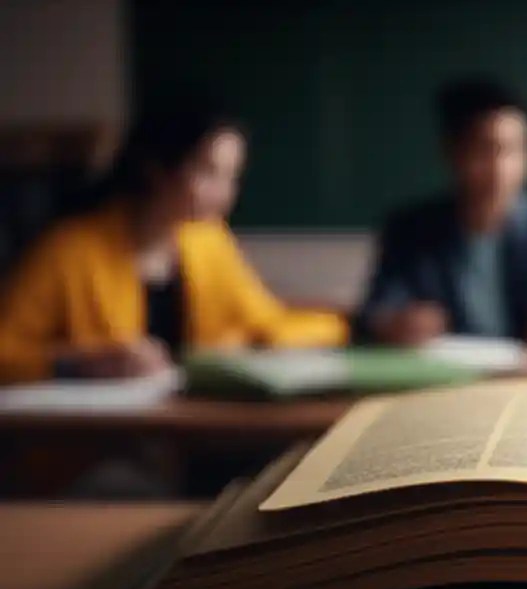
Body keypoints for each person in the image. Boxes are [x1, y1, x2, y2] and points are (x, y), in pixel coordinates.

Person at [0, 99, 346, 384]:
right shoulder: (70, 248)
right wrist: (81, 362)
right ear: (157, 169)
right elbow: (6, 352)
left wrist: (347, 325)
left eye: (231, 177)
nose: (224, 194)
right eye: (208, 172)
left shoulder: (207, 242)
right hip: (94, 442)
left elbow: (266, 323)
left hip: (186, 431)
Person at [354, 78, 527, 348]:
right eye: (484, 150)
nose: (500, 169)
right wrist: (395, 323)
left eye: (514, 150)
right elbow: (369, 319)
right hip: (444, 381)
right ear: (452, 152)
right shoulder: (410, 228)